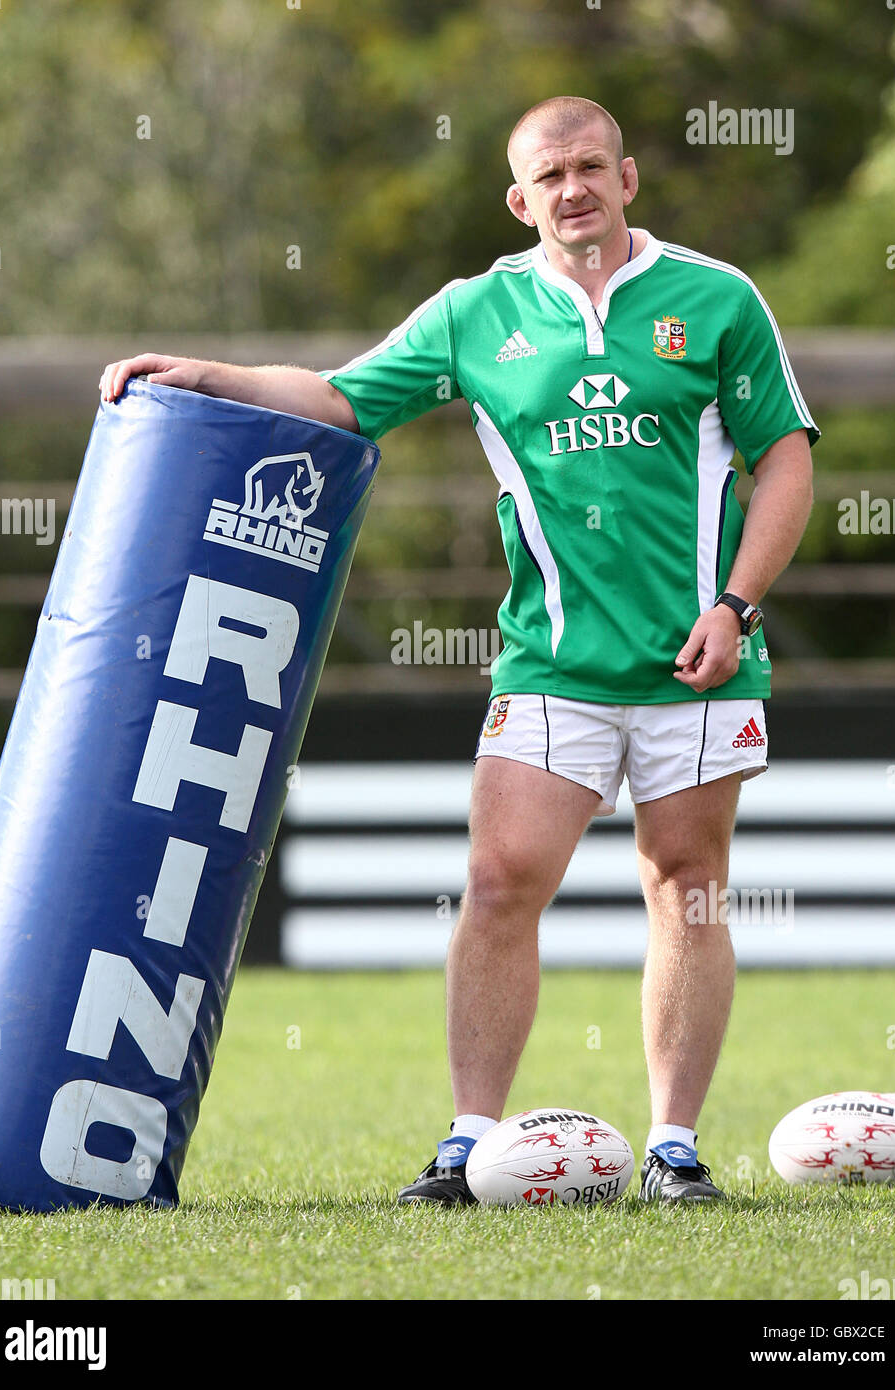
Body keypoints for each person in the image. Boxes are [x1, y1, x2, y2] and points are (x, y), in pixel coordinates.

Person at [100, 96, 817, 1206]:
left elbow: (783, 462)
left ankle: (673, 1150)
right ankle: (466, 1141)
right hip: (547, 663)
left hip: (701, 658)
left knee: (687, 888)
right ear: (518, 199)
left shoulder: (716, 299)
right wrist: (214, 375)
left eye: (590, 166)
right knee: (496, 883)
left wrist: (734, 603)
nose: (571, 188)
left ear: (626, 179)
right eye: (548, 175)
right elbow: (343, 398)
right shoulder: (474, 313)